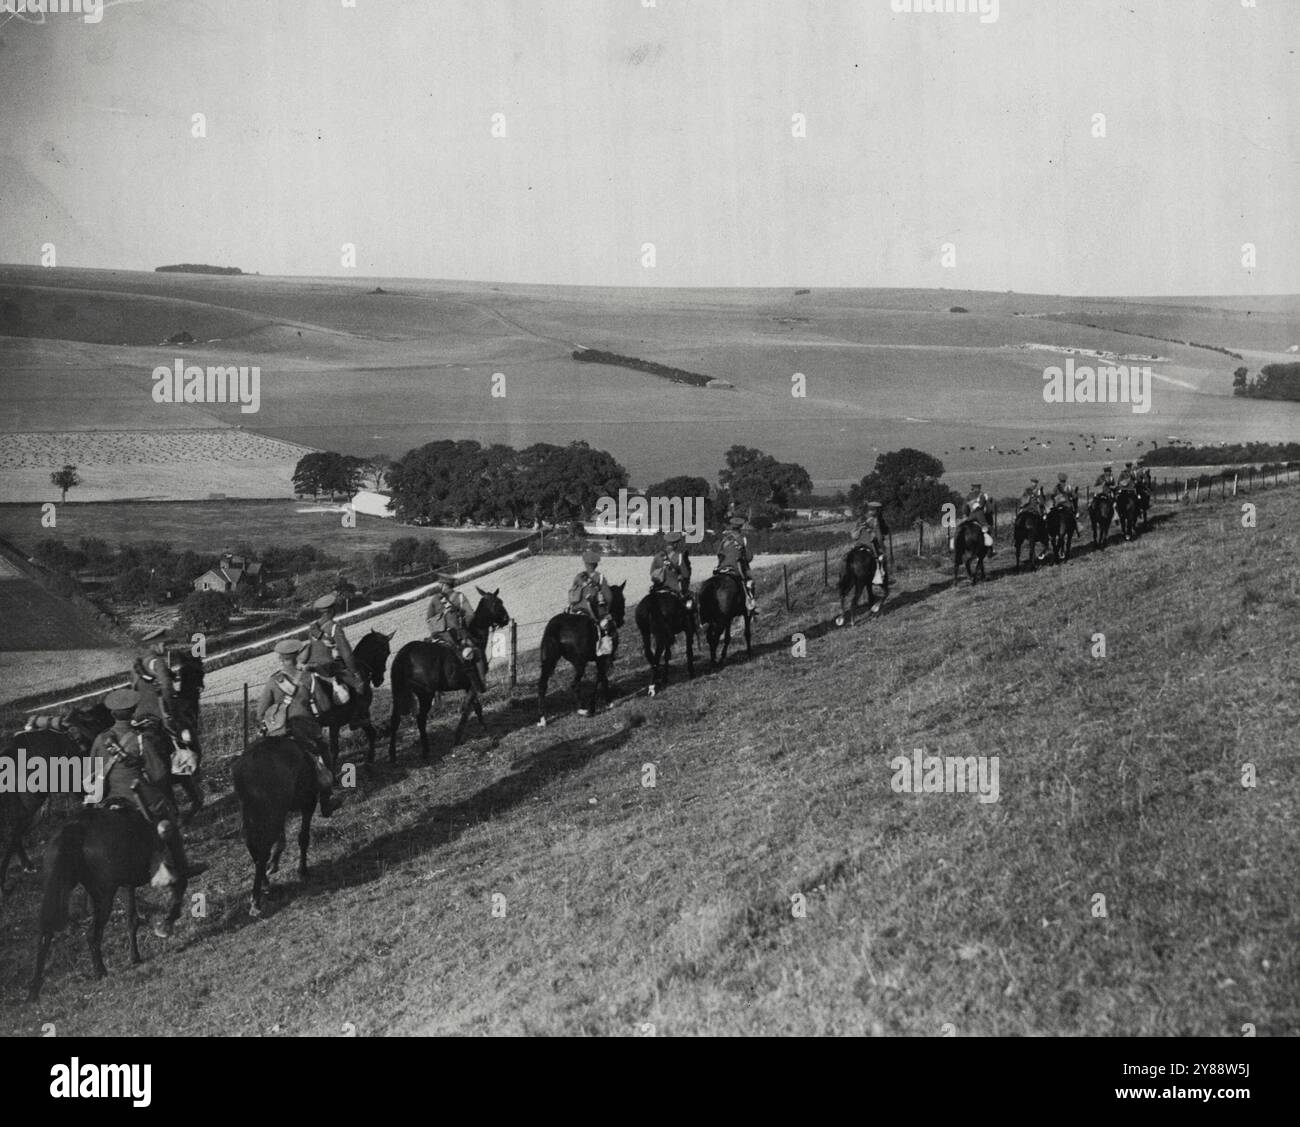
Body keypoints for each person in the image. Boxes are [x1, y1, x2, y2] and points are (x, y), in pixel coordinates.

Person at [86, 688, 207, 915]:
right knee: (168, 820)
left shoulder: (101, 739)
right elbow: (160, 775)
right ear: (133, 712)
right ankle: (179, 865)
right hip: (138, 798)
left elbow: (90, 772)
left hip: (108, 799)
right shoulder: (142, 740)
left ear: (112, 714)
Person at [255, 639, 343, 816]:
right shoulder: (308, 678)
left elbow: (260, 713)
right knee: (325, 751)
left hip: (278, 731)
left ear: (280, 658)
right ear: (297, 656)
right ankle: (326, 800)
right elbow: (325, 706)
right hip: (306, 727)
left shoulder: (274, 681)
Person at [300, 593, 369, 724]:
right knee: (360, 685)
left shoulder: (314, 627)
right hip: (329, 668)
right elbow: (346, 654)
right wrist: (355, 673)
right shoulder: (334, 628)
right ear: (332, 610)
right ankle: (357, 718)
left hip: (312, 668)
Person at [426, 579, 486, 691]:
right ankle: (481, 683)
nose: (439, 586)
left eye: (440, 584)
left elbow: (429, 619)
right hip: (456, 634)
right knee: (476, 651)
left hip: (438, 635)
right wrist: (462, 627)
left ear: (445, 585)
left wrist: (437, 628)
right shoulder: (459, 596)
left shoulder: (435, 599)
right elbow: (470, 615)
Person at [569, 550, 617, 652]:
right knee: (608, 628)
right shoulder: (600, 578)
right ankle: (605, 651)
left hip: (577, 609)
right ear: (596, 565)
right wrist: (607, 611)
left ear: (585, 564)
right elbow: (609, 597)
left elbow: (572, 592)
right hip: (594, 612)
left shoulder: (579, 576)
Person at [716, 516, 757, 613]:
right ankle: (750, 603)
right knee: (751, 581)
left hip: (722, 567)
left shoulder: (725, 539)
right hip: (738, 567)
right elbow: (749, 557)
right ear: (740, 527)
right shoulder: (743, 539)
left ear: (731, 527)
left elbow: (719, 554)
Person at [650, 530, 692, 605]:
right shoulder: (679, 556)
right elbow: (686, 575)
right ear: (675, 544)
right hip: (674, 588)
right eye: (678, 543)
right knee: (689, 606)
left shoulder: (658, 556)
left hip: (658, 588)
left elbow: (652, 572)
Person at [851, 502, 889, 582]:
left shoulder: (860, 519)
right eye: (877, 510)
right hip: (871, 545)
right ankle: (881, 578)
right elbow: (878, 538)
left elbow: (853, 536)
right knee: (882, 558)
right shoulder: (875, 521)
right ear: (873, 510)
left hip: (858, 544)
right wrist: (884, 549)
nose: (878, 512)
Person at [963, 483, 995, 552]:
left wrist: (966, 515)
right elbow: (985, 507)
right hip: (980, 515)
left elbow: (965, 509)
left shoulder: (968, 496)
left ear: (972, 488)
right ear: (979, 488)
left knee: (964, 528)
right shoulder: (982, 495)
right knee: (988, 527)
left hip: (971, 515)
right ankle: (991, 548)